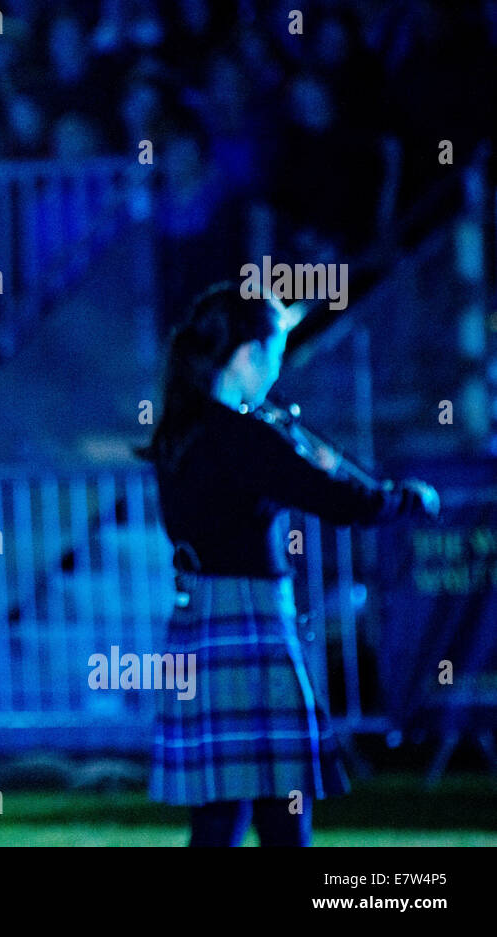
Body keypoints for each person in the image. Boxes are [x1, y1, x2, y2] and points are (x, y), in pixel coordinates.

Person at [139, 283, 439, 846]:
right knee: (282, 804)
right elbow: (348, 503)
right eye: (275, 351)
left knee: (220, 808)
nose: (279, 367)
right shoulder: (248, 438)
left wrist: (294, 457)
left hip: (200, 622)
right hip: (251, 622)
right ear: (249, 354)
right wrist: (407, 497)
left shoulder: (180, 432)